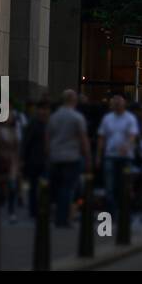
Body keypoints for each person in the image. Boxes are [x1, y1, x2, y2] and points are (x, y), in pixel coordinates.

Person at [46, 90, 90, 228]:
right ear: (74, 100)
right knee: (68, 188)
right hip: (71, 157)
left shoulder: (54, 117)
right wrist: (88, 157)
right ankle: (64, 218)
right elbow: (83, 139)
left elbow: (47, 137)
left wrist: (48, 153)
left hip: (55, 156)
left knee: (57, 188)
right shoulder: (77, 117)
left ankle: (57, 216)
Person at [96, 95, 139, 216]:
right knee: (109, 185)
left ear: (124, 104)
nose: (117, 105)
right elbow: (101, 137)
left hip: (126, 157)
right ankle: (112, 212)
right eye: (115, 103)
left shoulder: (130, 118)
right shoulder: (107, 118)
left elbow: (133, 136)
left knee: (124, 184)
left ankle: (124, 211)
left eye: (119, 103)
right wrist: (98, 156)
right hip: (110, 155)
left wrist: (127, 147)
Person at [21, 101, 50, 220]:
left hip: (45, 160)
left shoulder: (49, 123)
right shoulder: (33, 124)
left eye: (46, 109)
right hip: (34, 160)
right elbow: (26, 142)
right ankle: (34, 210)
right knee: (33, 187)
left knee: (44, 187)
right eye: (42, 109)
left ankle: (42, 208)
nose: (44, 112)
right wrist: (23, 159)